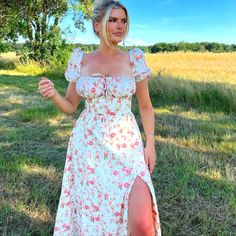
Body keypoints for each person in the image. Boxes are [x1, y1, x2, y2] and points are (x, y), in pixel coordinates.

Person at [38, 0, 161, 235]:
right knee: (95, 210)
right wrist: (54, 94)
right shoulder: (81, 60)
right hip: (89, 144)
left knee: (143, 224)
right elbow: (71, 106)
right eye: (112, 20)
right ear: (97, 26)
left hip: (126, 143)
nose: (120, 26)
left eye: (123, 21)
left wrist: (151, 142)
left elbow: (145, 106)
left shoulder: (133, 59)